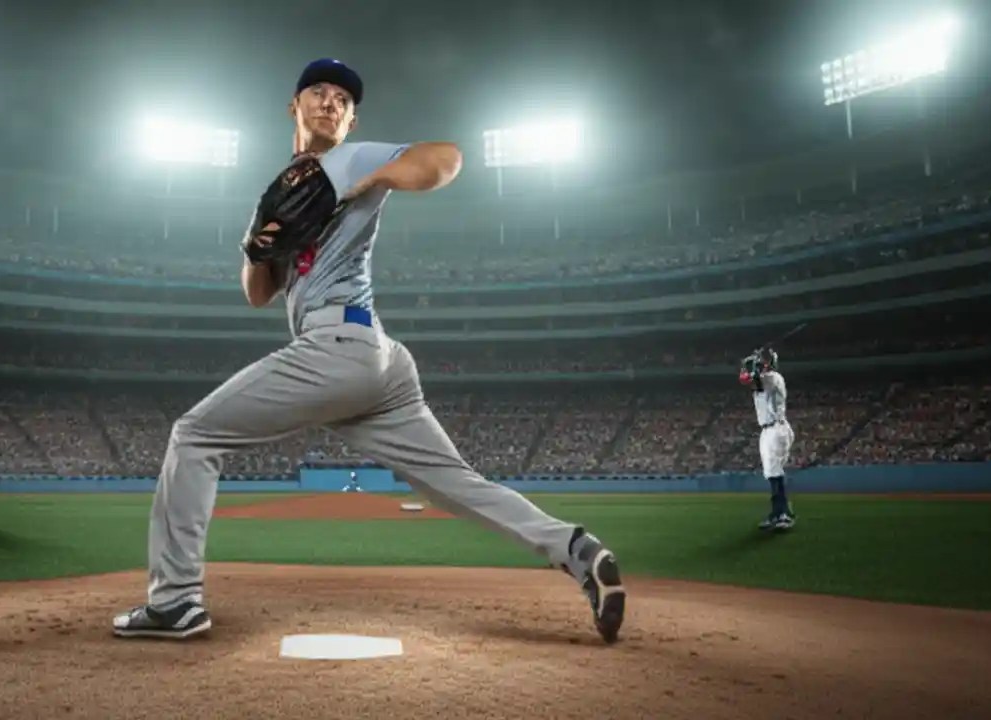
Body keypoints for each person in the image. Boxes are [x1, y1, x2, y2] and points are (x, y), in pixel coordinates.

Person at [112, 58, 625, 642]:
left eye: (342, 99)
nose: (330, 101)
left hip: (339, 346)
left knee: (194, 435)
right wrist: (257, 247)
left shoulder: (350, 159)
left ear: (352, 120)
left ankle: (174, 601)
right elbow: (259, 294)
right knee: (452, 481)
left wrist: (375, 179)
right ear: (294, 107)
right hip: (375, 361)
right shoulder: (275, 195)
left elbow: (446, 159)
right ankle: (576, 549)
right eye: (318, 92)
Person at [740, 348, 796, 531]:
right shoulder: (763, 378)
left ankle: (783, 514)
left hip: (776, 428)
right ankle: (778, 512)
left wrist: (749, 364)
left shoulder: (773, 377)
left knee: (775, 473)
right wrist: (747, 365)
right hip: (767, 430)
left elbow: (751, 380)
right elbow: (746, 380)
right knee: (772, 473)